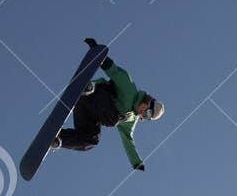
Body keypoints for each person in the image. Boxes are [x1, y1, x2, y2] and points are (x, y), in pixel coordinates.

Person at [51, 37, 163, 171]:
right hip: (93, 96)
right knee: (114, 118)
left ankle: (58, 139)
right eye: (148, 112)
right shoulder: (129, 88)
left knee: (92, 140)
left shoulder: (131, 120)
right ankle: (88, 89)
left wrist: (136, 162)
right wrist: (97, 52)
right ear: (149, 102)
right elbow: (113, 71)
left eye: (147, 117)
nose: (143, 115)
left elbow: (128, 141)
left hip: (87, 112)